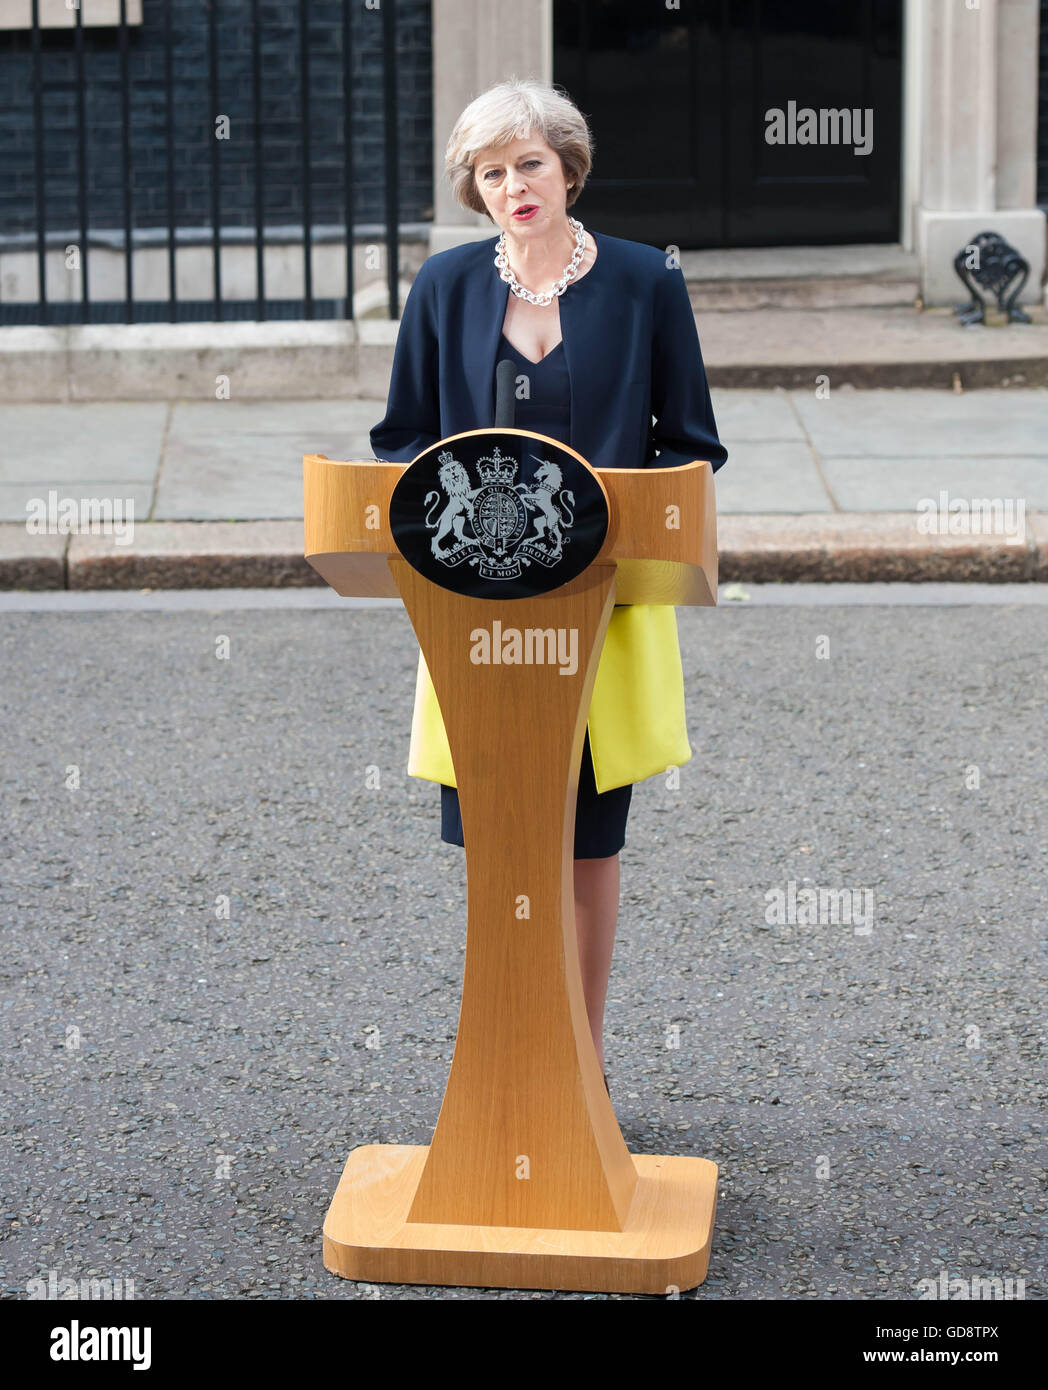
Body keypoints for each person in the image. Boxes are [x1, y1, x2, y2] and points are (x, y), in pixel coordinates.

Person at [370, 78, 727, 1084]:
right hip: (474, 613)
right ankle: (509, 1061)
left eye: (530, 162)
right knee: (500, 837)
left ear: (566, 166)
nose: (514, 185)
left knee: (583, 838)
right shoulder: (442, 288)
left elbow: (690, 446)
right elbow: (401, 441)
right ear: (473, 191)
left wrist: (613, 515)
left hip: (599, 608)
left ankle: (579, 1063)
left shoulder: (643, 282)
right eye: (491, 171)